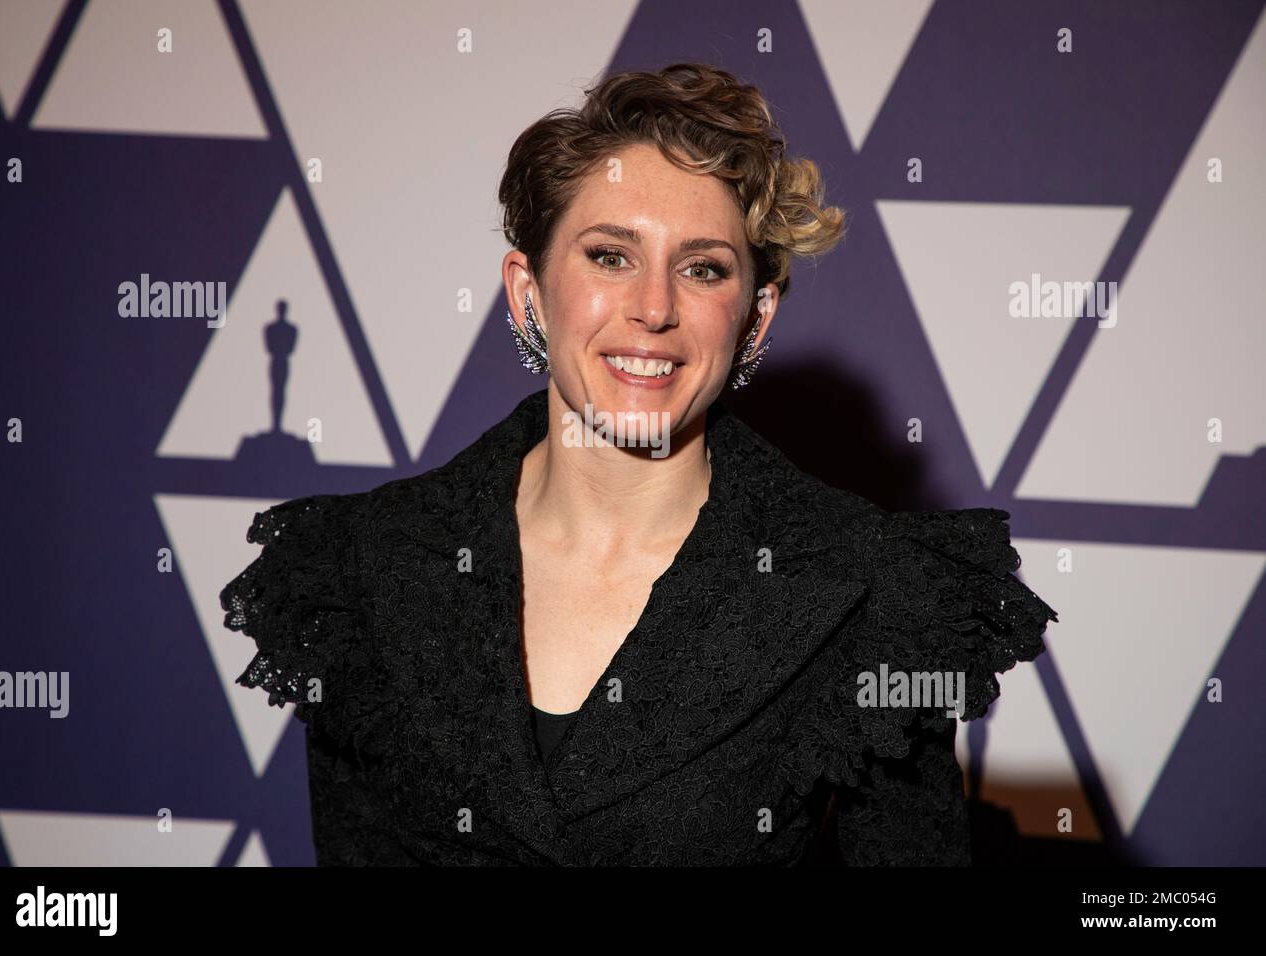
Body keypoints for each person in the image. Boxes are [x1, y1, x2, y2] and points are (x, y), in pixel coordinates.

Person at [219, 62, 1057, 866]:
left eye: (702, 269)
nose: (654, 309)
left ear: (755, 321)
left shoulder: (875, 593)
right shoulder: (361, 567)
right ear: (528, 293)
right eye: (610, 255)